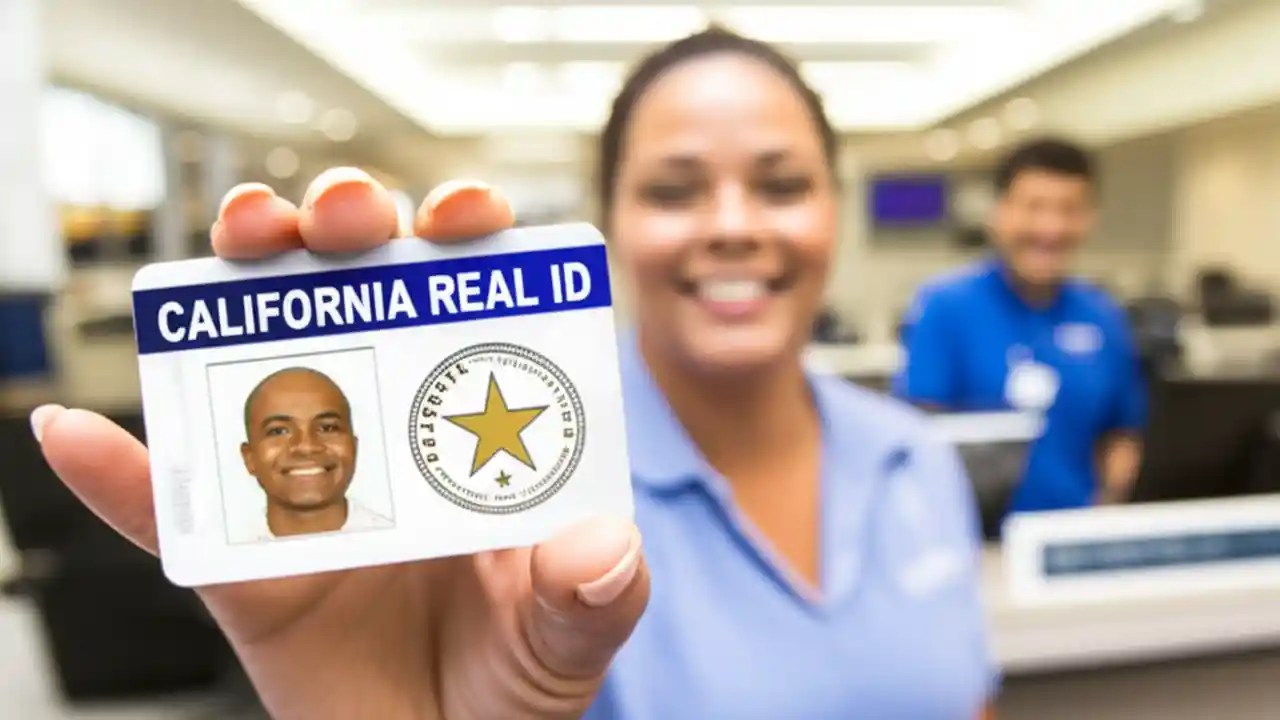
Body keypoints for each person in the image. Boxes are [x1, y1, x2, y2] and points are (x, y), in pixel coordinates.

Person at [30, 28, 996, 719]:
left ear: (835, 208)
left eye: (782, 184)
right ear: (611, 221)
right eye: (673, 189)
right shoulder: (524, 502)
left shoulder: (915, 457)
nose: (734, 222)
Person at [894, 137, 1147, 514]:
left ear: (1090, 218)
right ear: (999, 212)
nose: (1051, 227)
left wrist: (1104, 512)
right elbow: (917, 440)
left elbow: (1122, 434)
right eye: (1035, 207)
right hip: (973, 545)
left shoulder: (1102, 315)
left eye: (1070, 209)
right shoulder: (945, 308)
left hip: (1070, 540)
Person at [237, 366, 390, 541]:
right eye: (278, 431)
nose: (306, 447)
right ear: (249, 458)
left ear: (354, 447)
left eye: (327, 428)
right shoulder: (222, 561)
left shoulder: (405, 546)